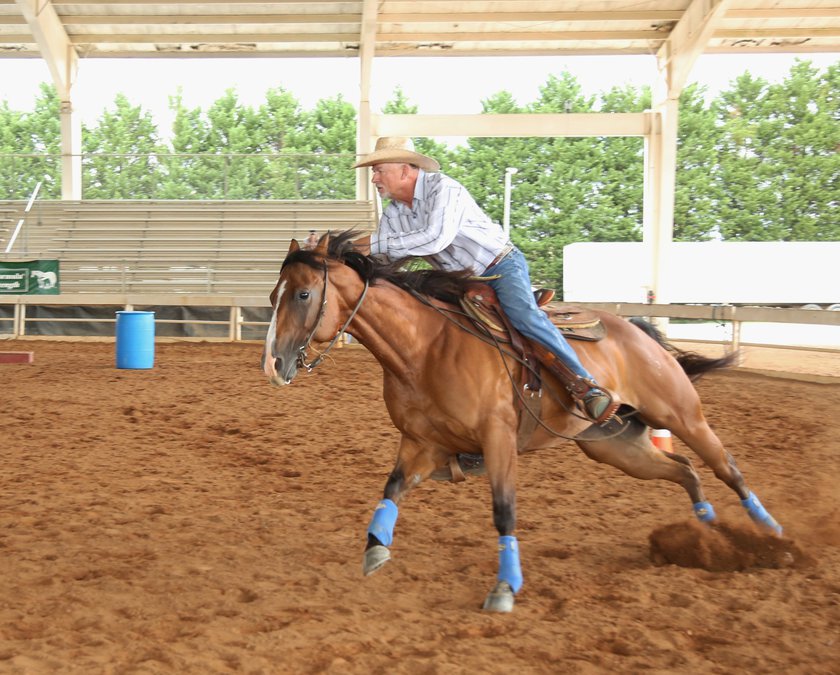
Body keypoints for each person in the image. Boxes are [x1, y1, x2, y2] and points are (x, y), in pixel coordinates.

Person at [351, 137, 618, 425]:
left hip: (500, 266)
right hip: (460, 281)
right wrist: (346, 257)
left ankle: (585, 385)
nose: (374, 178)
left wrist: (373, 243)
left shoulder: (444, 189)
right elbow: (387, 261)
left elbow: (435, 238)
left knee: (523, 316)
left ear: (404, 170)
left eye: (378, 170)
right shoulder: (393, 214)